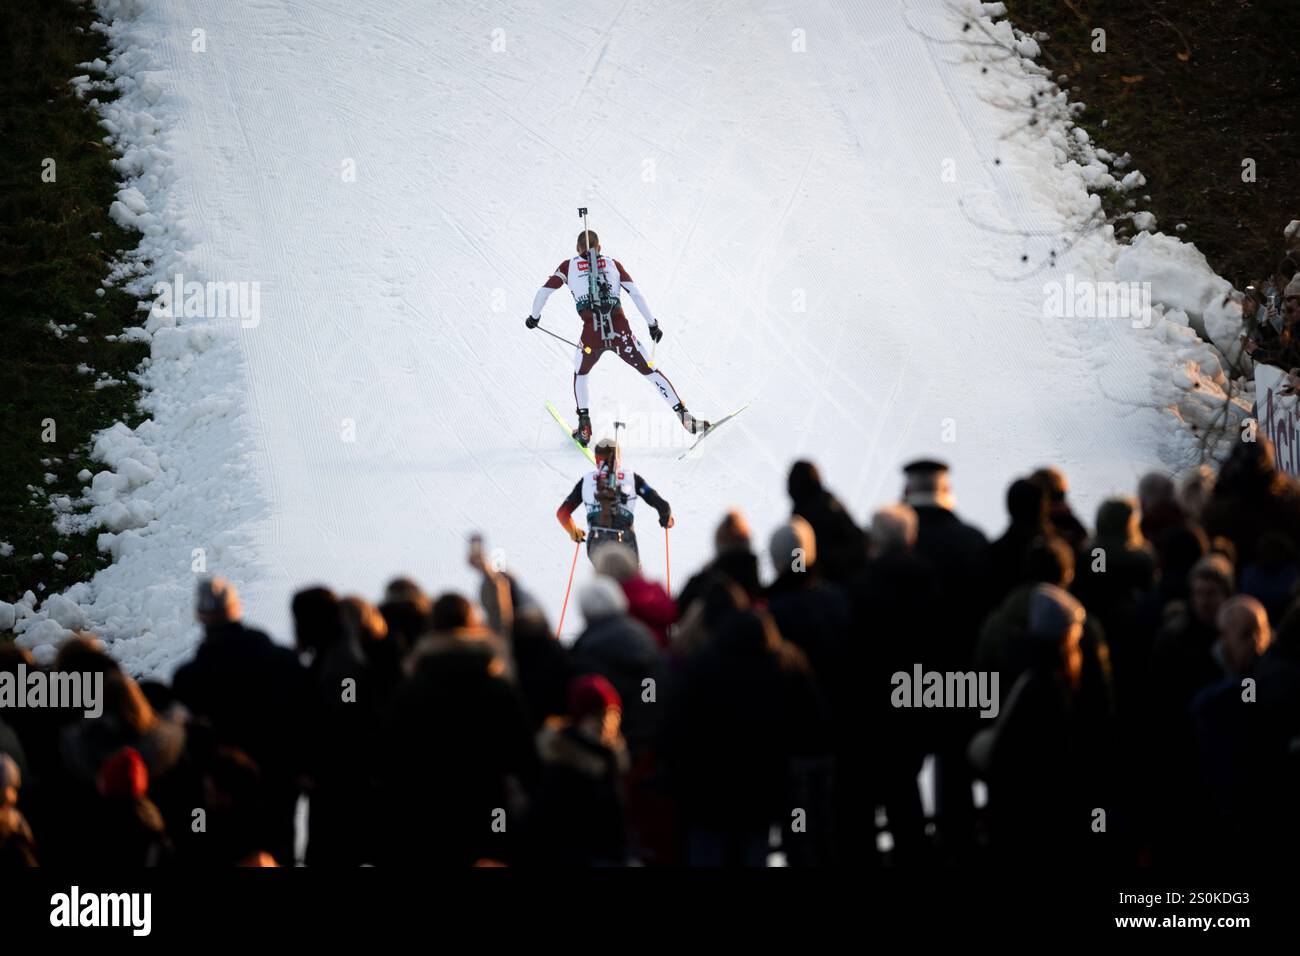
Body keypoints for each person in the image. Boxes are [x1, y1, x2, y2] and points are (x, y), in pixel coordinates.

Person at [526, 230, 708, 444]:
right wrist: (652, 324)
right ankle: (686, 419)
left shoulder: (568, 266)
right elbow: (636, 294)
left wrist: (534, 317)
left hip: (592, 336)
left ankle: (584, 427)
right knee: (651, 371)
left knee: (581, 372)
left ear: (577, 249)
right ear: (600, 248)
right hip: (621, 333)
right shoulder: (614, 264)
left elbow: (543, 292)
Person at [555, 437, 673, 561]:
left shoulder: (586, 481)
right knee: (631, 579)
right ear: (618, 460)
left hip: (596, 541)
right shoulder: (632, 479)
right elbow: (663, 506)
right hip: (624, 540)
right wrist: (666, 519)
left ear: (596, 460)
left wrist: (574, 532)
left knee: (605, 577)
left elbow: (562, 513)